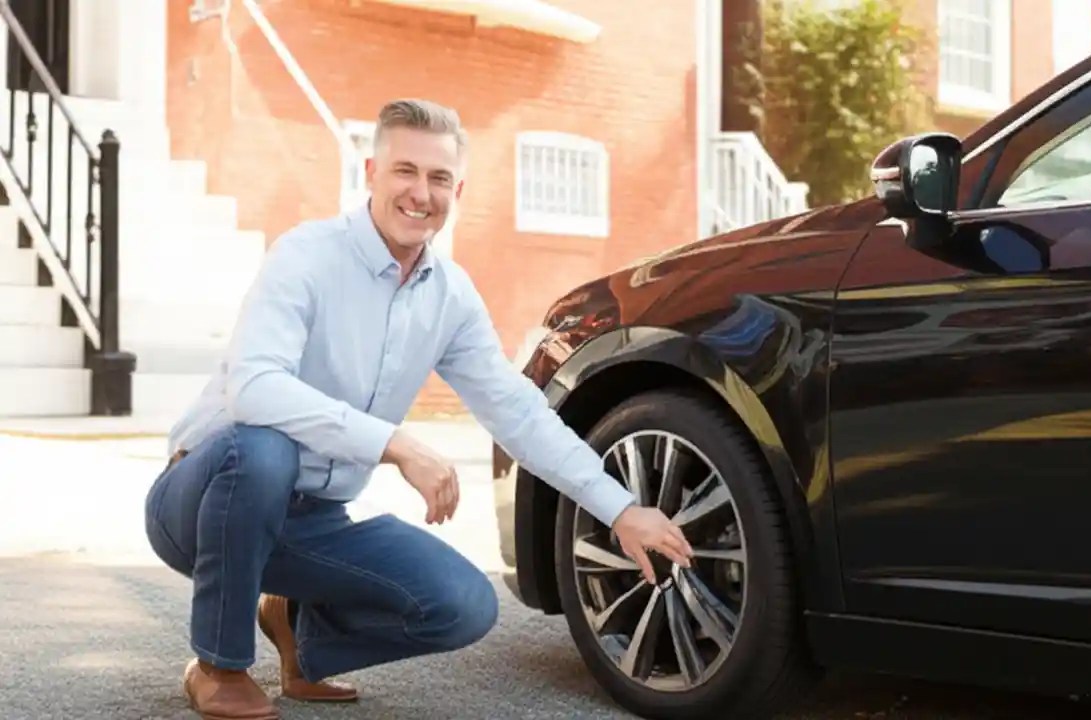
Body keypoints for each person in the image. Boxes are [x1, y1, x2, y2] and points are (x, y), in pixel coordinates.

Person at [143, 98, 694, 720]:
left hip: (310, 519)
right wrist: (398, 444)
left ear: (456, 189)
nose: (420, 193)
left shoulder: (450, 295)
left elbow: (519, 411)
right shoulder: (307, 255)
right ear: (371, 172)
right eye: (405, 171)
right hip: (206, 499)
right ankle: (218, 663)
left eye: (438, 178)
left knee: (462, 604)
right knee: (265, 447)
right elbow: (255, 388)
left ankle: (300, 630)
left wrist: (619, 509)